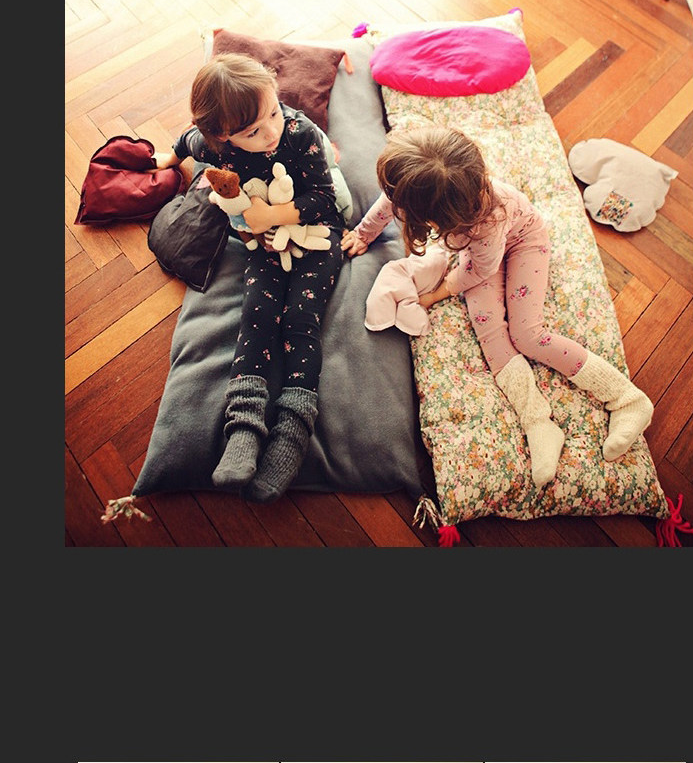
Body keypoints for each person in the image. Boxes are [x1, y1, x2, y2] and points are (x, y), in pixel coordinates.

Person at [342, 125, 653, 488]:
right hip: (477, 253)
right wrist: (363, 234)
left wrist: (436, 294)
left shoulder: (489, 219)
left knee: (528, 335)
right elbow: (390, 202)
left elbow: (478, 270)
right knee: (488, 326)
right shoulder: (419, 190)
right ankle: (537, 421)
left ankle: (626, 398)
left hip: (522, 242)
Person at [155, 54, 346, 500]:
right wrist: (170, 157)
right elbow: (187, 141)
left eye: (274, 113)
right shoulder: (213, 147)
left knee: (300, 320)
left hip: (317, 233)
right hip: (262, 245)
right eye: (253, 131)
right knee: (256, 314)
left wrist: (272, 216)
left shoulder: (301, 134)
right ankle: (243, 426)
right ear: (222, 136)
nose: (271, 132)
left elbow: (324, 198)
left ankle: (292, 431)